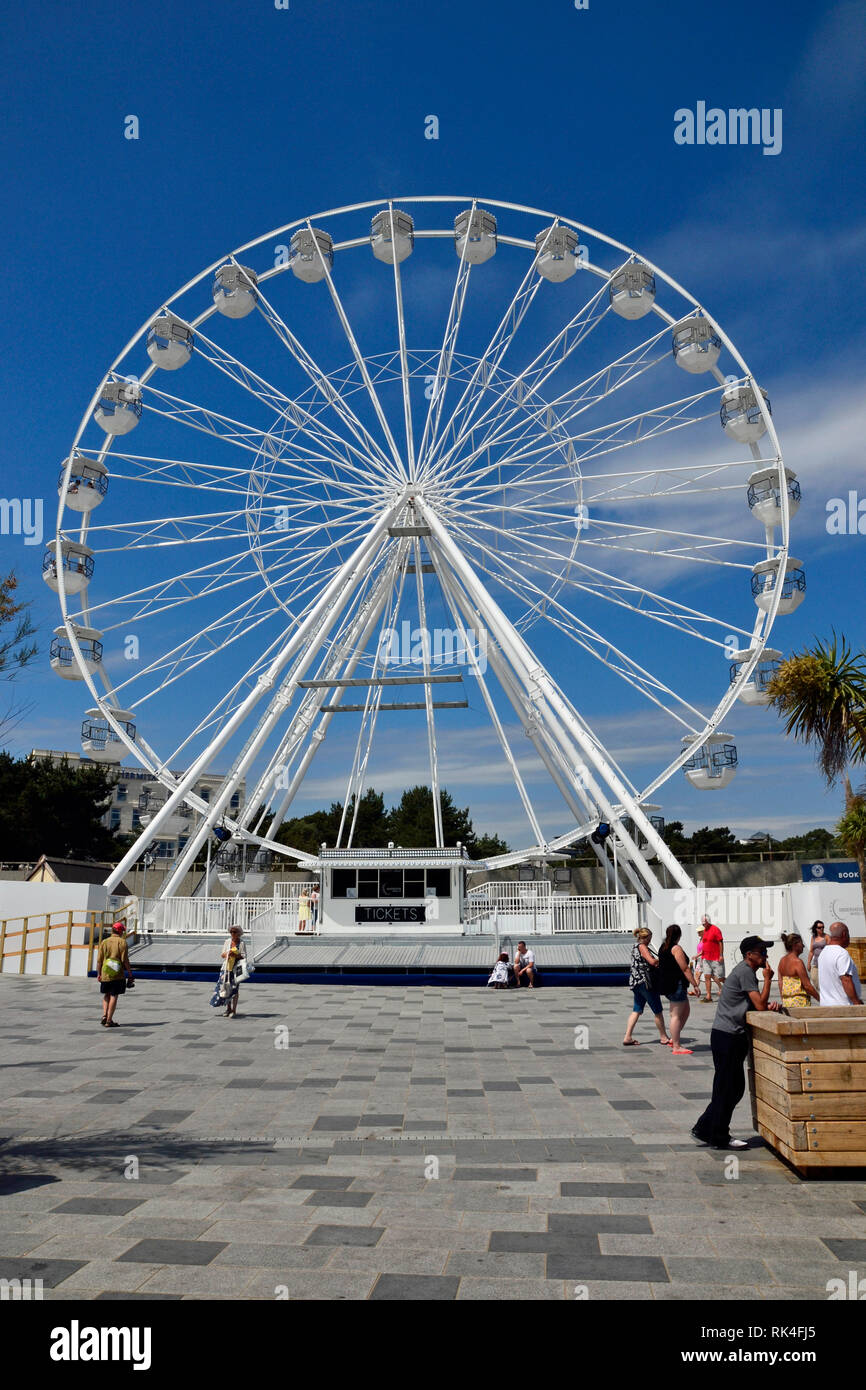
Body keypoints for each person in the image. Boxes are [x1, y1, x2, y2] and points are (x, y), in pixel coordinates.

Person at [692, 935, 780, 1150]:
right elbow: (759, 1006)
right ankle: (719, 1135)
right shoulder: (746, 972)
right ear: (749, 954)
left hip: (726, 1034)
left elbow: (752, 1004)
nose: (765, 955)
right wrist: (768, 979)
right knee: (730, 1088)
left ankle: (705, 1127)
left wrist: (765, 1005)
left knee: (728, 1087)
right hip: (729, 1036)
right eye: (761, 951)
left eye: (765, 951)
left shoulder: (745, 971)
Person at [623, 927, 670, 1046]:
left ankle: (627, 1036)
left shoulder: (635, 946)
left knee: (637, 1010)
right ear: (646, 937)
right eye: (650, 938)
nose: (650, 940)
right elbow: (652, 962)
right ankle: (664, 1037)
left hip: (636, 982)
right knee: (657, 1011)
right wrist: (662, 960)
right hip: (646, 983)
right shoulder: (642, 947)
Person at [657, 924, 699, 1054]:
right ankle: (676, 1046)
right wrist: (695, 984)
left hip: (668, 984)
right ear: (679, 935)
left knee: (685, 1010)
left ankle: (674, 1038)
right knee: (675, 1015)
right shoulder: (676, 948)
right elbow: (685, 968)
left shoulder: (662, 947)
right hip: (676, 985)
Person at [97, 922, 134, 1028]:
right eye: (122, 930)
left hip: (105, 972)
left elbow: (99, 961)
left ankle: (104, 1015)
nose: (123, 932)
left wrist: (99, 974)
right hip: (118, 974)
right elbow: (125, 960)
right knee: (114, 995)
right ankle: (109, 1020)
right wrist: (130, 974)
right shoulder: (122, 942)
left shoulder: (104, 942)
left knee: (106, 994)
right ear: (120, 931)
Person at [817, 921, 863, 1006]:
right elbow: (846, 979)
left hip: (826, 1005)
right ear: (844, 934)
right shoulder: (842, 953)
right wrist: (856, 1002)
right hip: (843, 1007)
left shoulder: (823, 953)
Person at [777, 932, 820, 1008]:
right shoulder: (797, 962)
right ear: (795, 945)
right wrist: (821, 999)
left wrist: (784, 1000)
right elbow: (807, 986)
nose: (803, 946)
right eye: (801, 943)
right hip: (800, 1003)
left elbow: (780, 983)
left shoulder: (782, 961)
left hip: (787, 1003)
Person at [219, 925, 246, 1018]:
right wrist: (228, 953)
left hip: (236, 969)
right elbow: (222, 954)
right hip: (226, 968)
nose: (232, 934)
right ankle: (228, 1008)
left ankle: (234, 1010)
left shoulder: (242, 943)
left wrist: (236, 954)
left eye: (234, 932)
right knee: (226, 988)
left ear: (239, 933)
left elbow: (244, 956)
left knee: (235, 989)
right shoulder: (227, 942)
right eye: (231, 932)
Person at [698, 915, 725, 1002]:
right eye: (703, 924)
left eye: (705, 923)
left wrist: (721, 955)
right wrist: (702, 956)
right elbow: (705, 944)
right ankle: (708, 996)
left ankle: (733, 988)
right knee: (707, 976)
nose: (704, 925)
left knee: (720, 978)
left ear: (708, 922)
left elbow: (720, 942)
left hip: (716, 958)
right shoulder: (705, 930)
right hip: (706, 958)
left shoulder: (715, 929)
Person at [806, 921, 827, 995]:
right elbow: (811, 951)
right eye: (819, 927)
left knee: (825, 982)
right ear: (816, 928)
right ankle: (822, 993)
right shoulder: (813, 937)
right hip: (816, 963)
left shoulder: (827, 937)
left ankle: (825, 995)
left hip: (825, 964)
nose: (822, 929)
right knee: (814, 979)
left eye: (823, 927)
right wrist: (808, 963)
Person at [689, 927, 705, 997]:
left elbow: (703, 950)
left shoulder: (705, 940)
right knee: (697, 975)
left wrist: (696, 956)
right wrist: (696, 957)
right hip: (699, 959)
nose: (698, 933)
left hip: (703, 959)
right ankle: (695, 990)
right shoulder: (701, 939)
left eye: (699, 932)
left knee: (713, 976)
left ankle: (722, 987)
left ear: (703, 931)